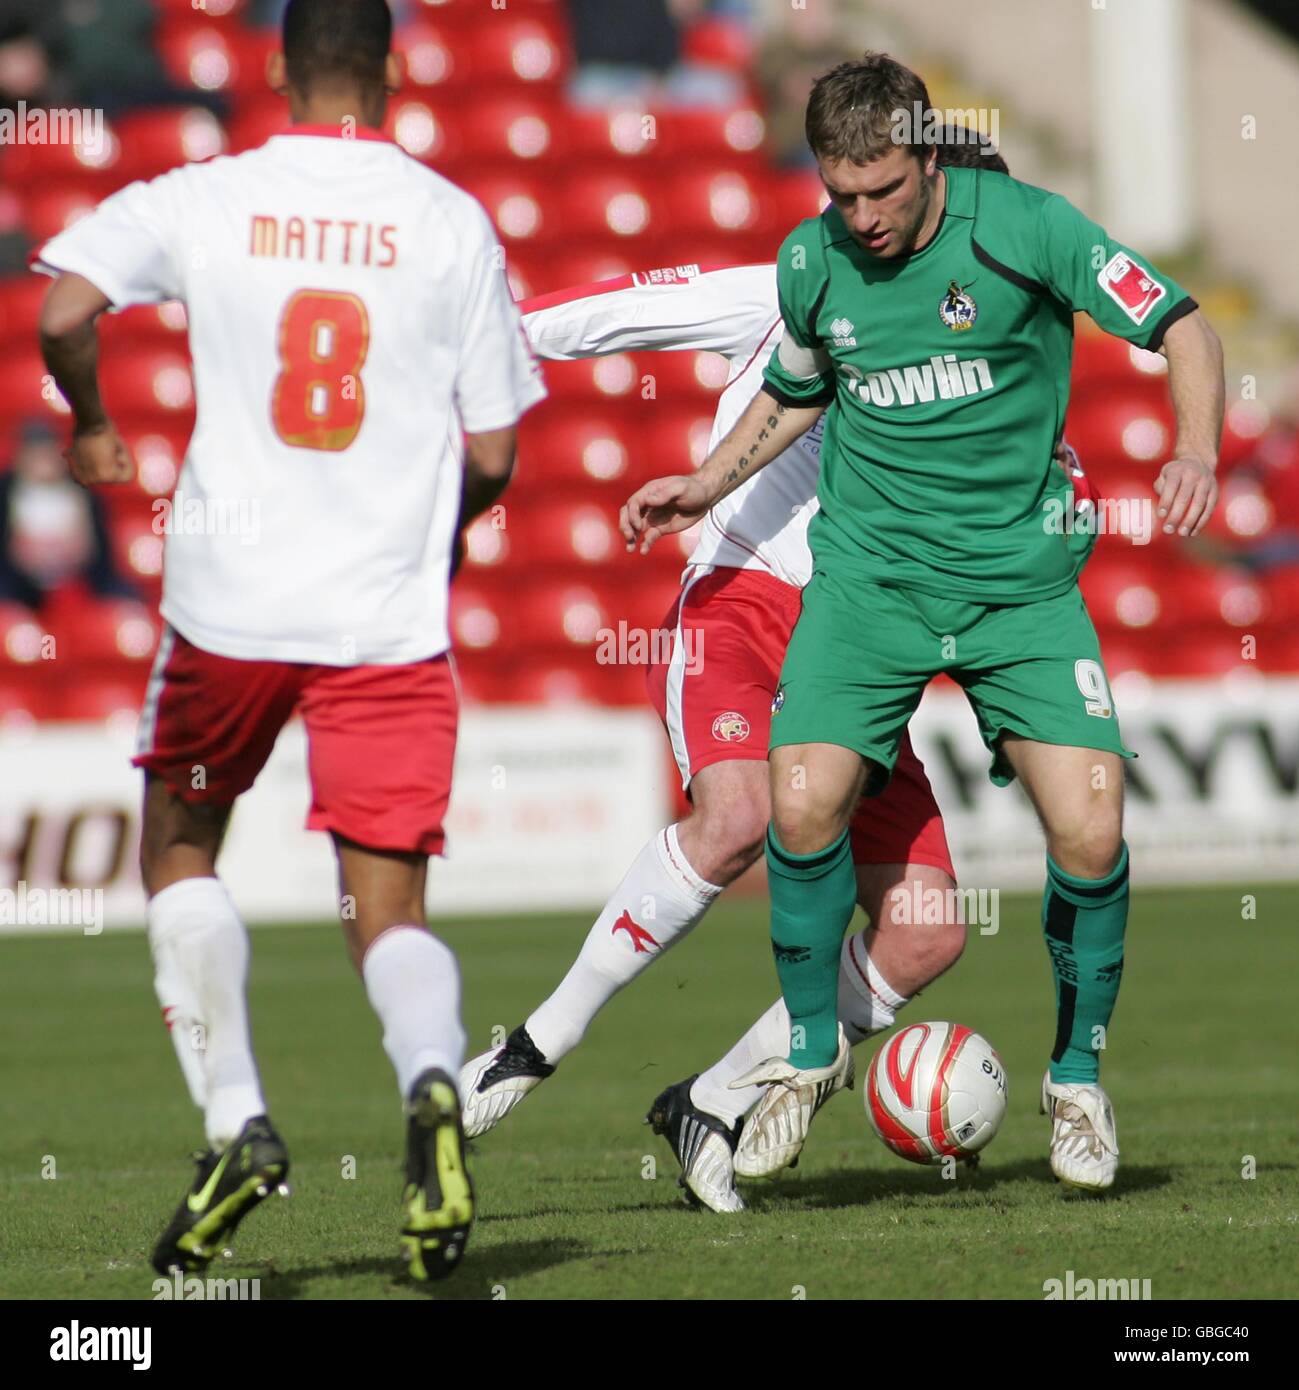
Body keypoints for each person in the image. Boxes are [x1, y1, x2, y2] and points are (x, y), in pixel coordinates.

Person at [622, 54, 1224, 1193]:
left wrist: (1195, 446)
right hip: (872, 587)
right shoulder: (815, 260)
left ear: (929, 158)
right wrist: (704, 483)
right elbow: (795, 386)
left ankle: (1079, 1081)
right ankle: (804, 1063)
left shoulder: (1032, 230)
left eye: (882, 191)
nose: (862, 218)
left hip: (1018, 590)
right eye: (840, 194)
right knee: (798, 804)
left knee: (1091, 832)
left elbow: (1183, 327)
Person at [463, 133, 1094, 1211]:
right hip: (746, 609)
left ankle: (714, 1093)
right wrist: (480, 356)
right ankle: (533, 1042)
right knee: (740, 811)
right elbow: (620, 310)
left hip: (864, 647)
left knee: (930, 926)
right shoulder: (789, 291)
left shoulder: (1002, 367)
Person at [34, 0, 544, 1281]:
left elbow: (60, 311)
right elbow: (494, 451)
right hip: (383, 615)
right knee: (389, 909)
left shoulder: (212, 192)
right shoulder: (448, 220)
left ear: (277, 69)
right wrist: (452, 526)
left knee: (181, 838)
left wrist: (94, 426)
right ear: (393, 70)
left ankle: (236, 1123)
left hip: (231, 608)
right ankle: (433, 1086)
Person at [0, 417, 140, 610]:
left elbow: (97, 549)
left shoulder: (83, 490)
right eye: (35, 455)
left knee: (124, 599)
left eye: (46, 455)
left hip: (81, 577)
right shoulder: (6, 492)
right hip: (18, 582)